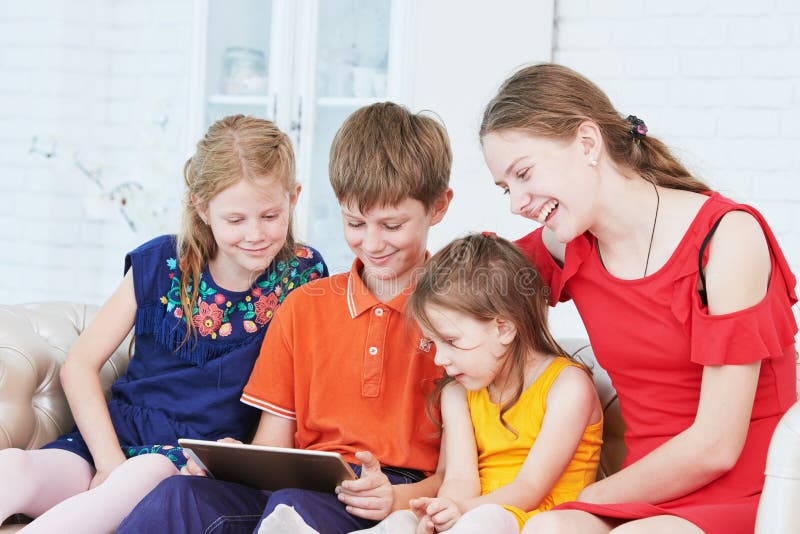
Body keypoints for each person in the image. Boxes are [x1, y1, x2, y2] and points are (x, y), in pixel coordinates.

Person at [479, 63, 798, 534]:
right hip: (644, 496)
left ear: (588, 142)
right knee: (549, 530)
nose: (516, 203)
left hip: (752, 493)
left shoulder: (727, 238)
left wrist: (586, 498)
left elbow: (716, 447)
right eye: (506, 188)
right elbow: (462, 290)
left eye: (524, 174)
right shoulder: (569, 243)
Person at [117, 101, 454, 534]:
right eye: (355, 223)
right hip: (300, 485)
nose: (372, 243)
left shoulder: (458, 316)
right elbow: (272, 445)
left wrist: (395, 498)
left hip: (395, 489)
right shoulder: (303, 306)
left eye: (391, 226)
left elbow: (460, 474)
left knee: (291, 506)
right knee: (179, 495)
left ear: (438, 207)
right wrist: (234, 463)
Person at [0, 114, 327, 533]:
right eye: (235, 220)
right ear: (202, 207)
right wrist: (109, 463)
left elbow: (293, 392)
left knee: (146, 471)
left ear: (293, 198)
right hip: (110, 443)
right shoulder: (160, 261)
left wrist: (241, 460)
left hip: (190, 462)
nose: (255, 234)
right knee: (14, 467)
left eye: (270, 216)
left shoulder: (303, 274)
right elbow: (78, 365)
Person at [352, 233, 603, 534]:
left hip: (537, 520)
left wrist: (462, 511)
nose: (440, 359)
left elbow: (530, 488)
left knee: (485, 520)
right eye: (433, 343)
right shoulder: (458, 392)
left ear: (503, 328)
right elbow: (459, 479)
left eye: (451, 341)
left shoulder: (567, 387)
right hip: (472, 516)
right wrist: (440, 514)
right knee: (401, 521)